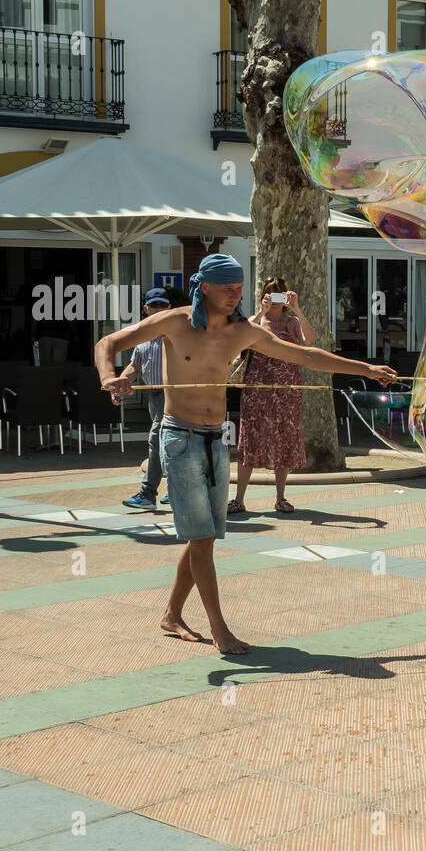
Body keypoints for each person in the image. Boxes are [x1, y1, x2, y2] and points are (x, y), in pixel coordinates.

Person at [96, 253, 395, 654]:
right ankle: (220, 629)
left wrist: (362, 368)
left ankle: (171, 614)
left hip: (216, 438)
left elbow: (305, 355)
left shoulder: (242, 331)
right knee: (202, 538)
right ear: (204, 287)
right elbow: (108, 341)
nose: (236, 296)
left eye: (239, 289)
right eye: (228, 289)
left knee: (204, 537)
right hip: (178, 438)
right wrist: (109, 377)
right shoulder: (174, 321)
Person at [230, 276, 316, 515]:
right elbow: (240, 339)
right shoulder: (255, 322)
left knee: (285, 439)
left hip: (287, 392)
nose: (276, 299)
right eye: (271, 294)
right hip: (256, 391)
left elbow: (310, 339)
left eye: (280, 294)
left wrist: (297, 309)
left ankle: (280, 497)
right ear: (263, 296)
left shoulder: (291, 322)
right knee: (249, 441)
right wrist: (261, 312)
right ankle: (238, 499)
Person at [118, 287, 173, 510]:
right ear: (146, 309)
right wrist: (120, 383)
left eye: (162, 305)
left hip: (174, 395)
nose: (158, 309)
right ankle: (175, 490)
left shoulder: (178, 333)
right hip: (155, 395)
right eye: (154, 306)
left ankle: (148, 493)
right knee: (168, 443)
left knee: (158, 440)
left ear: (169, 308)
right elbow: (135, 365)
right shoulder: (142, 336)